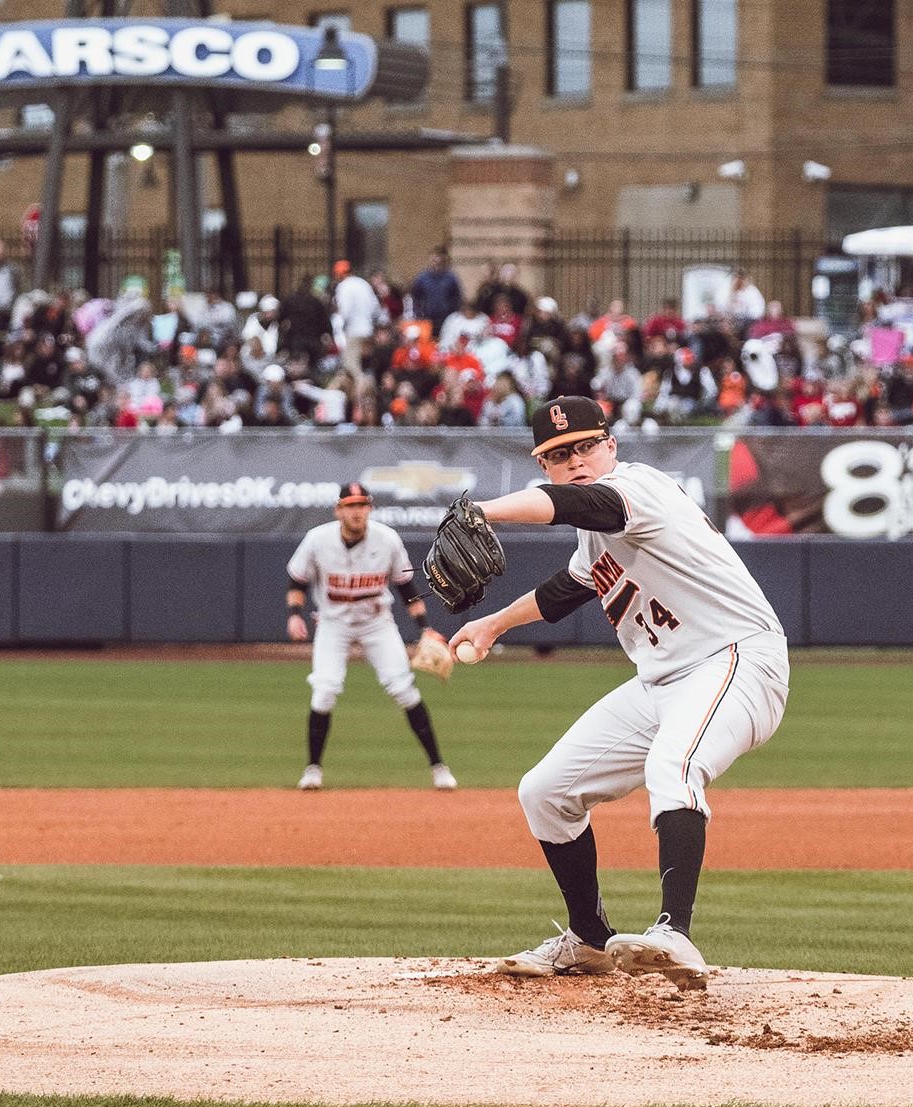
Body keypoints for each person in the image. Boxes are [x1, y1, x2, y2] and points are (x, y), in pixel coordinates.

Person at [449, 395, 789, 991]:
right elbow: (567, 588)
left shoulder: (638, 488)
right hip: (661, 681)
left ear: (610, 446)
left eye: (584, 446)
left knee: (674, 765)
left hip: (736, 659)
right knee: (546, 791)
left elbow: (577, 502)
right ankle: (588, 939)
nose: (575, 461)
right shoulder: (595, 535)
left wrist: (487, 510)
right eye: (558, 455)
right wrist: (492, 624)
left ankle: (674, 931)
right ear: (543, 465)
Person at [285, 483, 456, 792]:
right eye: (350, 505)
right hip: (333, 622)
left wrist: (424, 627)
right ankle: (313, 770)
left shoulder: (387, 540)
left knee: (404, 689)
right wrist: (294, 615)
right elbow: (296, 581)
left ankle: (439, 767)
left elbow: (406, 588)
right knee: (324, 691)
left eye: (362, 505)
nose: (357, 511)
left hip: (377, 622)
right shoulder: (317, 540)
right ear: (339, 511)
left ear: (370, 508)